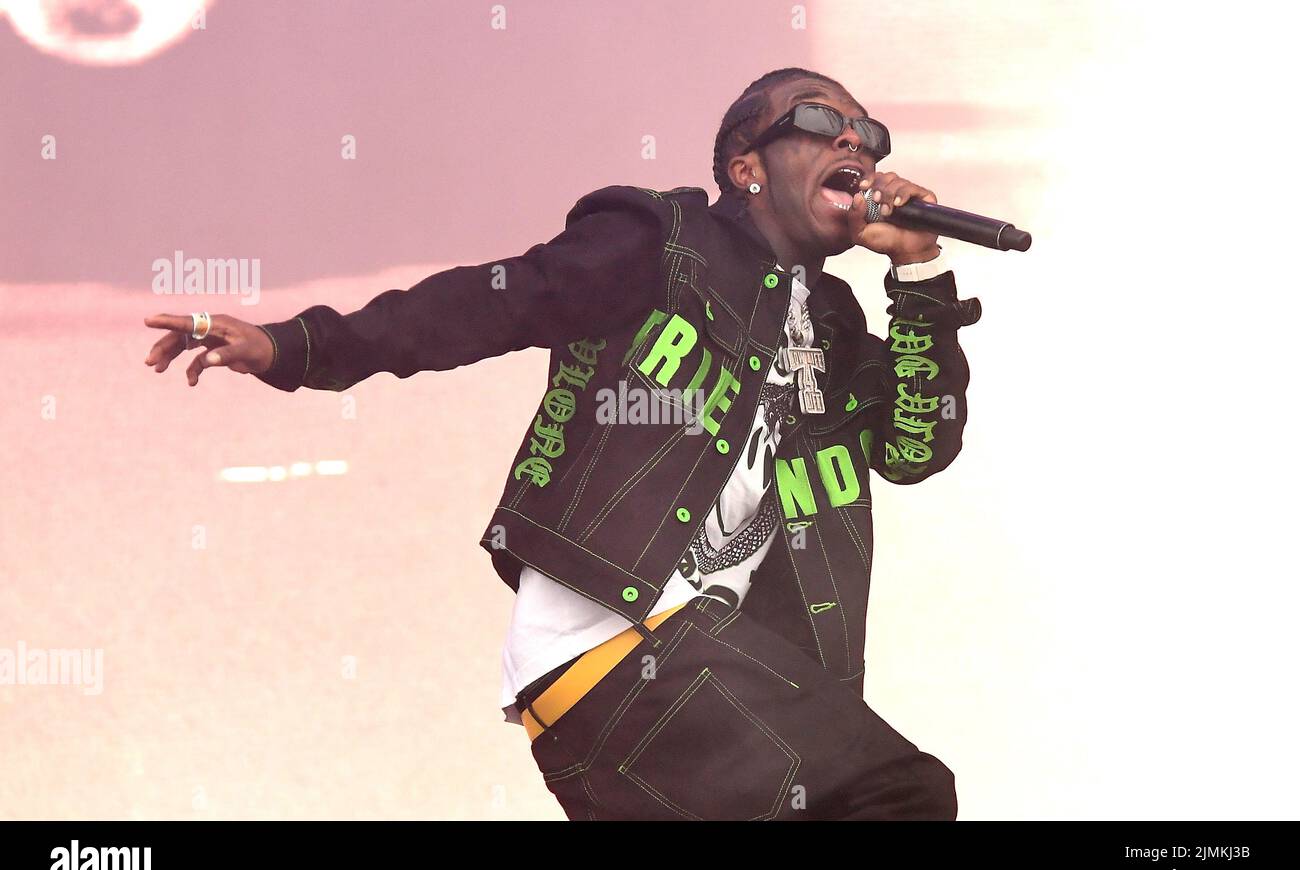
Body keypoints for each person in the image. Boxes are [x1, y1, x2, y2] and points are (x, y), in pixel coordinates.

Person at [143, 67, 984, 820]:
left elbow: (916, 448)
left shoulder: (831, 323)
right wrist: (299, 346)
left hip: (712, 689)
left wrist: (917, 271)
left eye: (869, 136)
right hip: (618, 643)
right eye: (818, 120)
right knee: (899, 795)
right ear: (746, 168)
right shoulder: (663, 244)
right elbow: (496, 303)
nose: (854, 141)